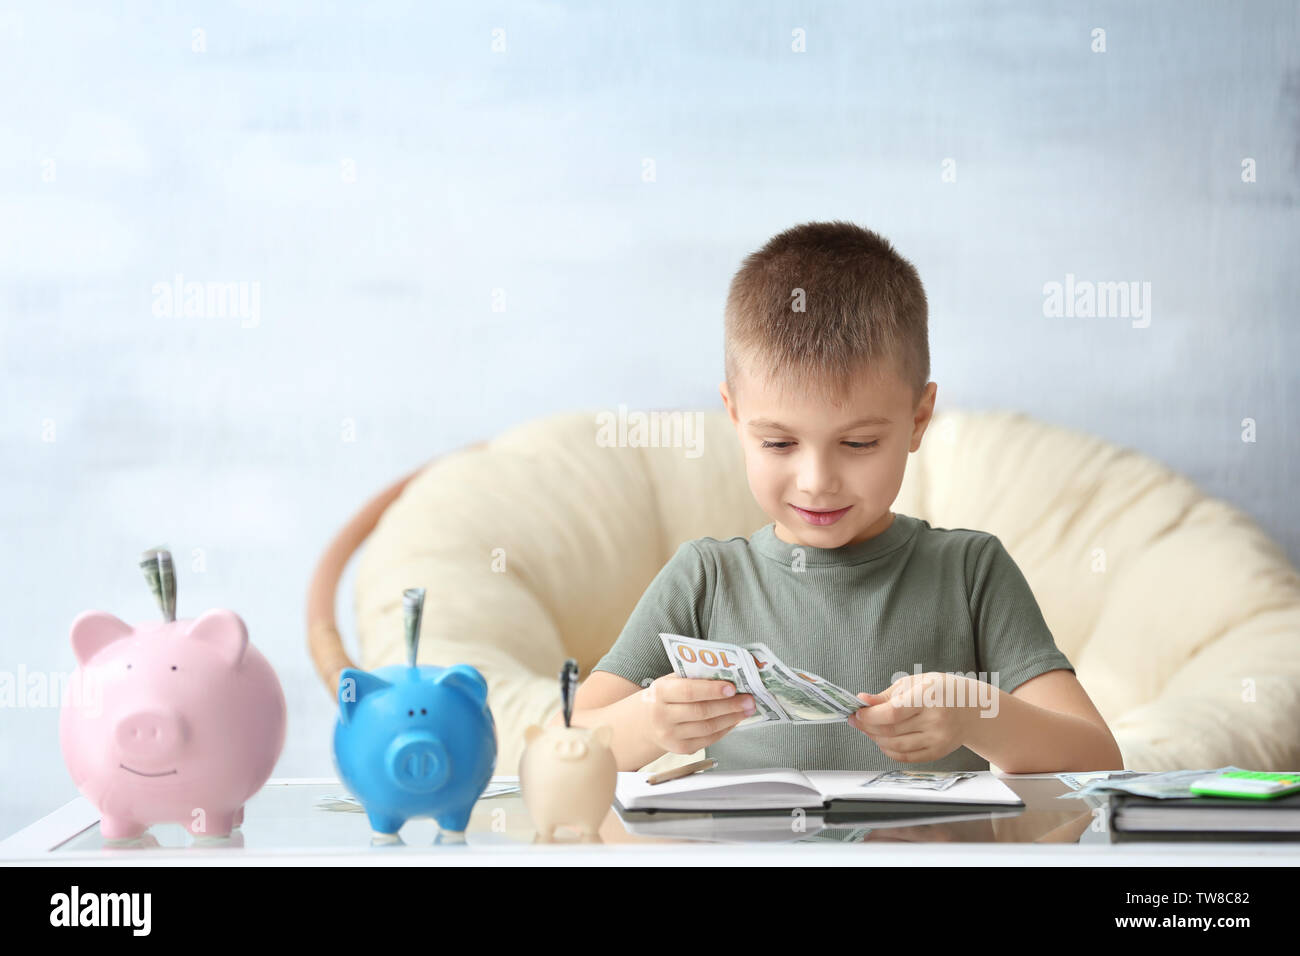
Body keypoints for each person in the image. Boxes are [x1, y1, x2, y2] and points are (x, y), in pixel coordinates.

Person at [549, 220, 1123, 775]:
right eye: (778, 441)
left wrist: (976, 716)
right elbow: (558, 748)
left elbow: (1098, 758)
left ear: (919, 418)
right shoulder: (705, 579)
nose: (817, 479)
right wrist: (647, 723)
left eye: (858, 442)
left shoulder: (971, 573)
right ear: (734, 415)